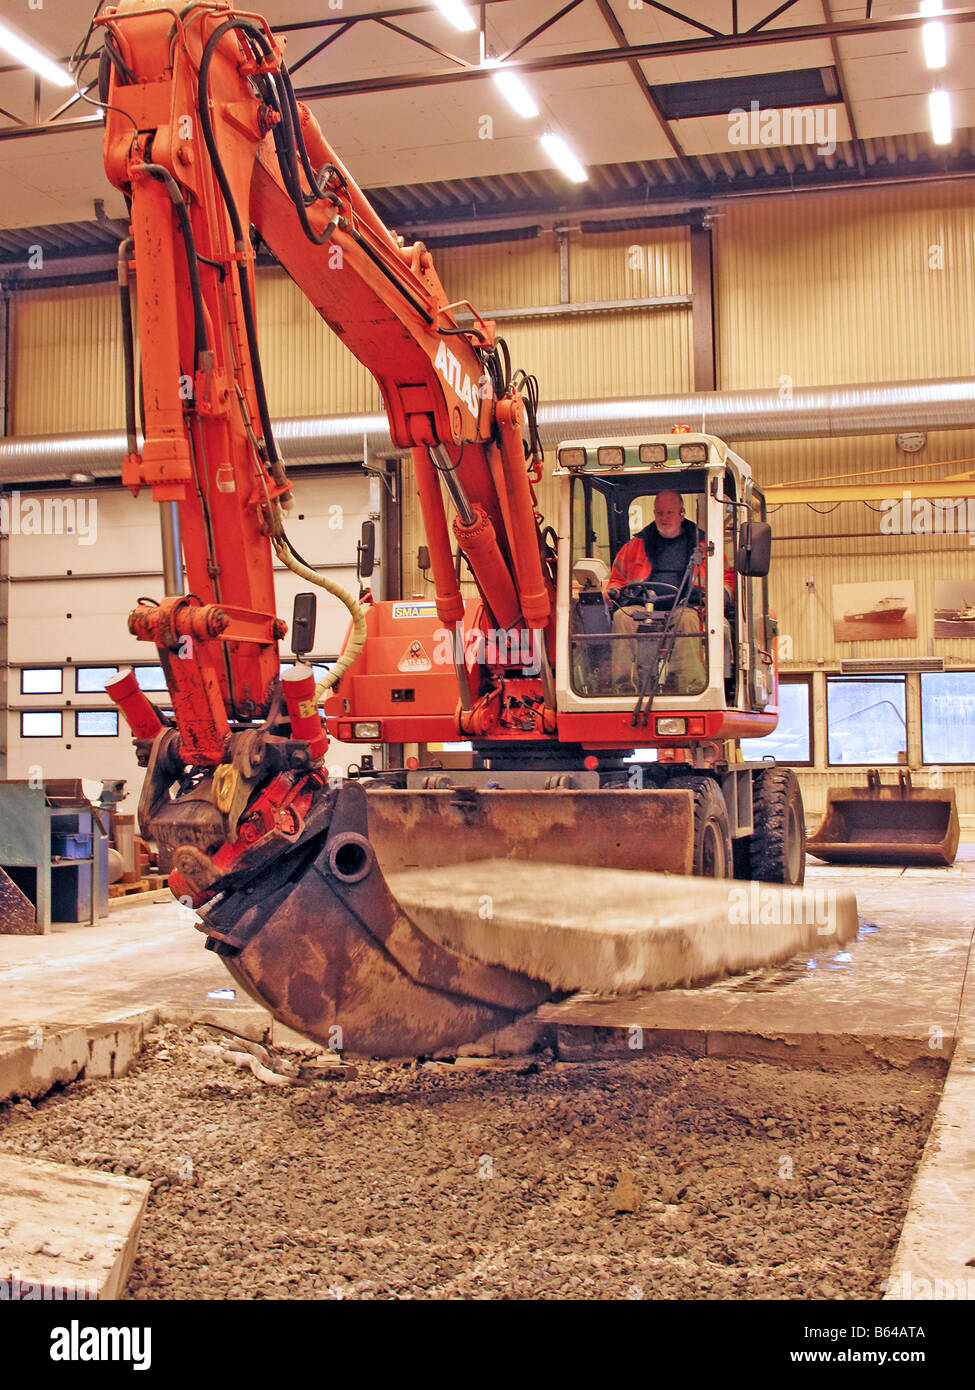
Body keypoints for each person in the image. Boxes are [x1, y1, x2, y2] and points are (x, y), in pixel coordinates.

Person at [606, 490, 706, 692]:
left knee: (687, 621)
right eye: (659, 512)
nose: (664, 517)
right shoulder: (637, 544)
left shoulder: (702, 545)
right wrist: (613, 591)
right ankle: (623, 687)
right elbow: (617, 578)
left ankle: (691, 687)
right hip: (642, 605)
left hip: (684, 605)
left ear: (682, 512)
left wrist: (719, 596)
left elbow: (727, 577)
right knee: (621, 618)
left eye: (669, 512)